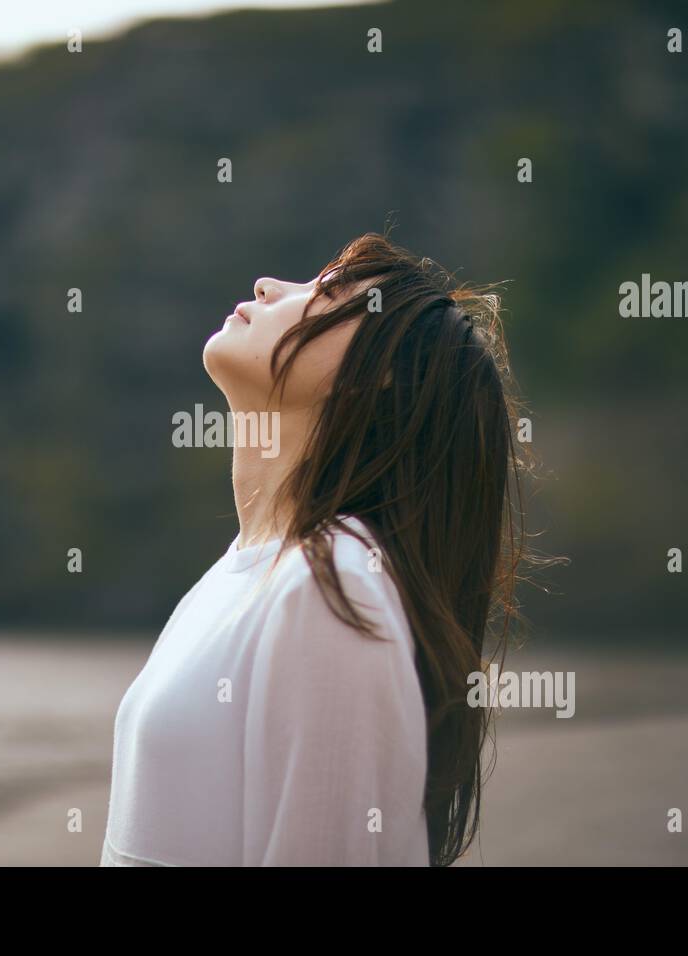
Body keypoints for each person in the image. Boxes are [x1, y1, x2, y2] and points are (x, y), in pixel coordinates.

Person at [102, 232, 529, 866]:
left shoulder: (333, 587)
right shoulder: (249, 571)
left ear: (378, 378)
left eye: (328, 293)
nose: (269, 286)